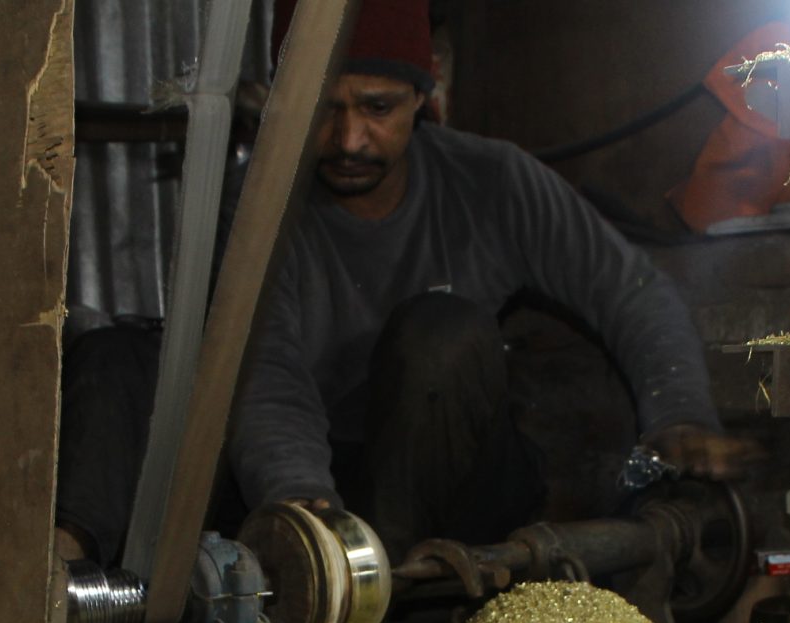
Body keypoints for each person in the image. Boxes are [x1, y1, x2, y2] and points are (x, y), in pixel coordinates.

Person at [55, 0, 746, 567]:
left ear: (424, 92)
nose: (349, 138)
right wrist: (305, 513)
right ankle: (65, 590)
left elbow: (628, 290)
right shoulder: (259, 206)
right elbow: (263, 369)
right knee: (116, 354)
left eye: (377, 108)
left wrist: (678, 413)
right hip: (321, 477)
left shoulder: (493, 181)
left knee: (443, 331)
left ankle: (392, 600)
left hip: (456, 481)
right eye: (323, 108)